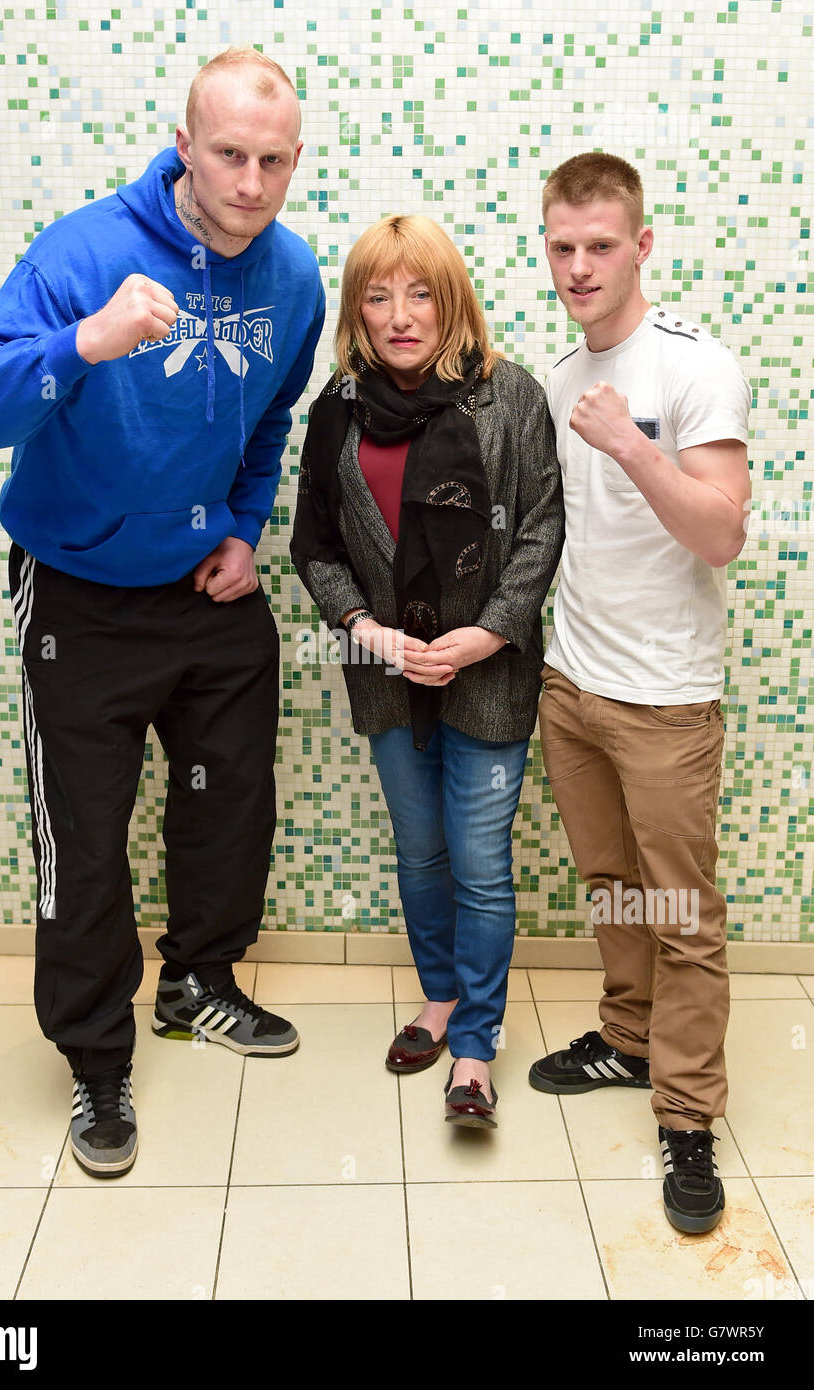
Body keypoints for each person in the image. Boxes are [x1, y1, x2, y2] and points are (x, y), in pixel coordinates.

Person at [0, 48, 325, 1178]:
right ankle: (97, 1058)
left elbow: (268, 418)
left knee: (228, 804)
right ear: (182, 146)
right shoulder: (83, 253)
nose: (250, 183)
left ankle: (200, 980)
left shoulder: (292, 276)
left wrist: (246, 528)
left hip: (205, 593)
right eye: (229, 156)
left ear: (293, 160)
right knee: (87, 843)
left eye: (273, 161)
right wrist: (83, 344)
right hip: (80, 594)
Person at [291, 215, 563, 1128]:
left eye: (420, 293)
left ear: (452, 302)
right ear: (357, 310)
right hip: (386, 675)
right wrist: (362, 627)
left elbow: (540, 529)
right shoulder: (336, 408)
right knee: (421, 853)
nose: (400, 316)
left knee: (481, 865)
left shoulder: (509, 398)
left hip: (487, 674)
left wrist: (488, 633)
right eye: (377, 295)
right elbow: (316, 547)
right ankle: (439, 998)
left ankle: (476, 1047)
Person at [528, 152, 751, 1232]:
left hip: (664, 699)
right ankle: (625, 1037)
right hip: (573, 684)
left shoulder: (691, 369)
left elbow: (722, 530)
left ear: (640, 245)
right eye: (561, 247)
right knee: (612, 882)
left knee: (684, 913)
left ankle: (689, 1114)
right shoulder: (559, 371)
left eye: (599, 246)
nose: (577, 267)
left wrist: (629, 445)